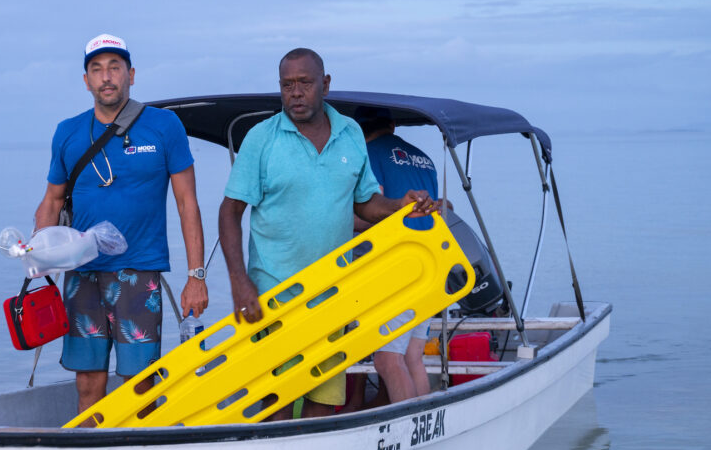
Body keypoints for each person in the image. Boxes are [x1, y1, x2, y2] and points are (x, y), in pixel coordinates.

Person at [218, 48, 438, 419]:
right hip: (276, 289)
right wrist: (240, 283)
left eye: (304, 83)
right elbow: (230, 212)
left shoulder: (351, 134)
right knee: (278, 397)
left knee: (326, 397)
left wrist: (400, 205)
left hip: (334, 290)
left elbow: (365, 202)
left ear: (326, 84)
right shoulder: (262, 138)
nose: (296, 93)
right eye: (287, 85)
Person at [34, 34, 209, 420]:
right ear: (86, 81)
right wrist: (36, 253)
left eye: (114, 68)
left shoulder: (164, 126)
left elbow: (187, 204)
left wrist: (196, 275)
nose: (106, 77)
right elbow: (51, 200)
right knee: (87, 382)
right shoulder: (67, 131)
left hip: (138, 273)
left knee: (140, 383)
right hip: (82, 274)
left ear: (131, 74)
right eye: (96, 69)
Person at [348, 111, 442, 406]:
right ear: (392, 125)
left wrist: (336, 220)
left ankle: (407, 427)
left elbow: (375, 215)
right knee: (413, 356)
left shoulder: (368, 154)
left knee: (388, 360)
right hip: (428, 263)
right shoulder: (423, 159)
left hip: (393, 267)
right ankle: (422, 425)